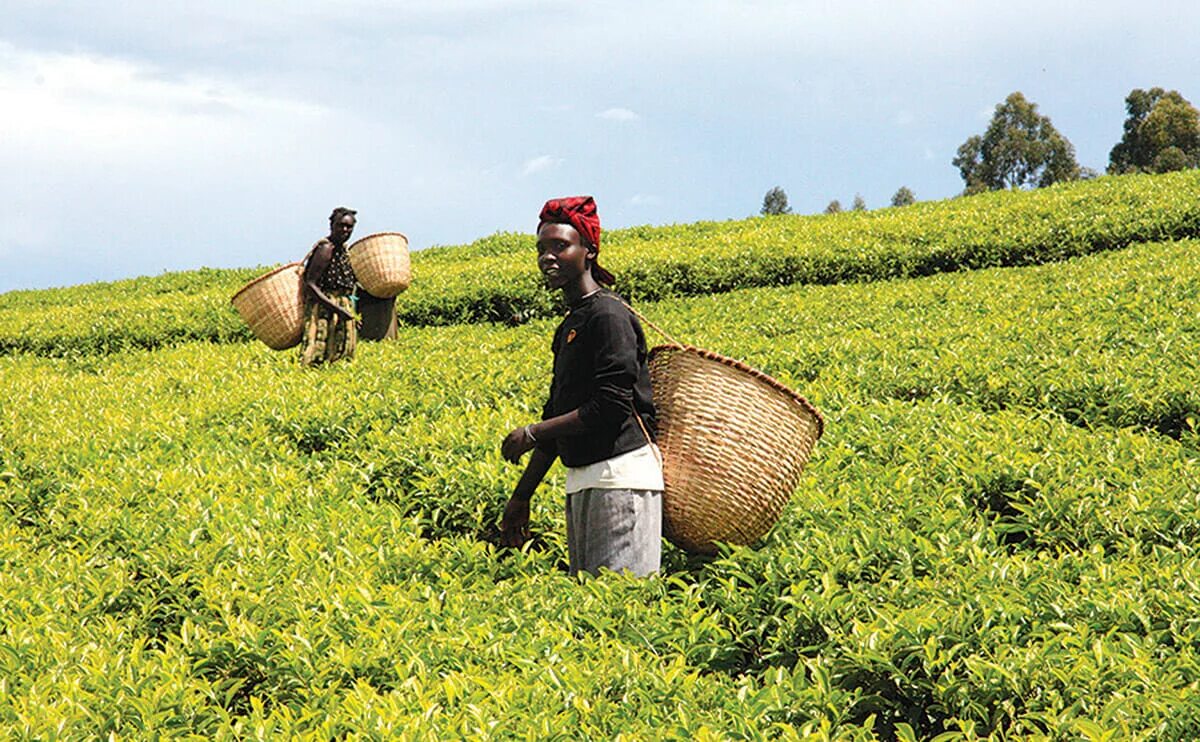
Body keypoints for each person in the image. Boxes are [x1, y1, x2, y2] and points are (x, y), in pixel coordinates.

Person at [499, 196, 664, 577]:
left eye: (560, 246)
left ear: (588, 251)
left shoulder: (608, 314)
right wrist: (521, 496)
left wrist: (532, 433)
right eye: (541, 248)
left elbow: (611, 405)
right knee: (591, 612)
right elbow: (558, 417)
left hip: (621, 479)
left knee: (622, 608)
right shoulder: (574, 321)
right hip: (585, 482)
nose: (547, 257)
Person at [301, 207, 360, 366]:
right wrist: (336, 309)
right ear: (332, 225)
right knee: (318, 353)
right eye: (341, 225)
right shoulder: (325, 249)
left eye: (349, 227)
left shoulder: (344, 251)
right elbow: (311, 285)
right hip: (323, 309)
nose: (345, 230)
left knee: (341, 355)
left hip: (341, 307)